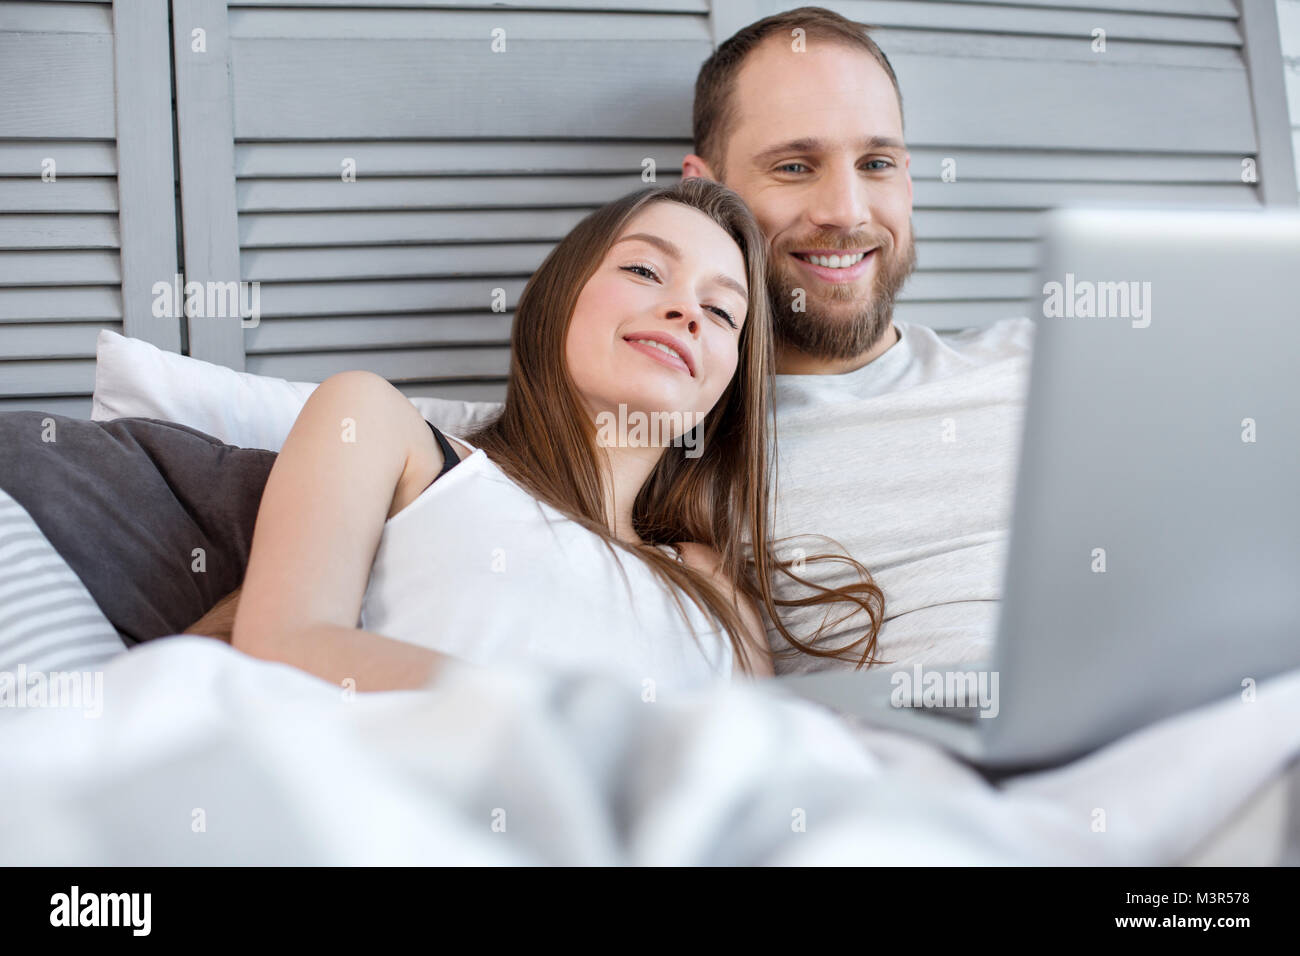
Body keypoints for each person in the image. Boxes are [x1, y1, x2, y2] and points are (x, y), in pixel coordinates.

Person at [200, 178, 885, 692]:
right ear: (558, 295)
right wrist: (547, 721)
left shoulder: (714, 591)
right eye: (645, 270)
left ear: (725, 387)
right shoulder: (386, 432)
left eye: (720, 310)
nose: (686, 311)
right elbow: (282, 644)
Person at [679, 6, 1036, 673]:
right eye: (793, 167)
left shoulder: (1050, 363)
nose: (846, 211)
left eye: (875, 162)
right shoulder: (670, 449)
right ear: (705, 195)